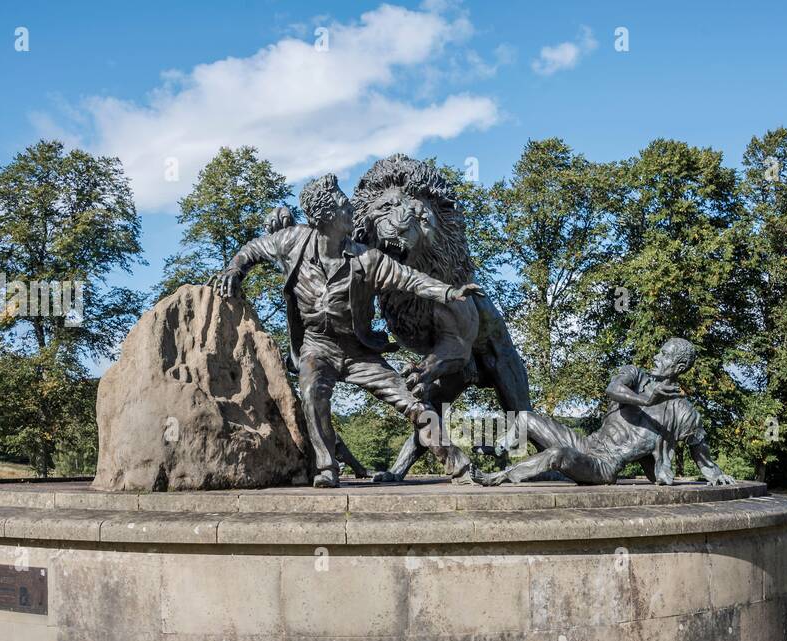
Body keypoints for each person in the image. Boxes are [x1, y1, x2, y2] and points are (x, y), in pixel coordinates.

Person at [215, 174, 480, 487]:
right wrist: (234, 269)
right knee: (313, 393)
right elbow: (253, 249)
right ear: (326, 218)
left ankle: (458, 465)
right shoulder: (292, 241)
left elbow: (409, 278)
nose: (351, 209)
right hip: (317, 345)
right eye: (343, 206)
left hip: (358, 350)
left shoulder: (366, 258)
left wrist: (449, 293)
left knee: (411, 401)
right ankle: (327, 468)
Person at [475, 338, 734, 487]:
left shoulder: (683, 412)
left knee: (557, 455)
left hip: (604, 465)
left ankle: (501, 477)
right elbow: (613, 388)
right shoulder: (636, 376)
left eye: (663, 355)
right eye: (659, 351)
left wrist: (714, 472)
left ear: (677, 366)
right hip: (586, 444)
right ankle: (500, 448)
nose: (656, 357)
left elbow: (698, 445)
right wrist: (645, 399)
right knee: (524, 418)